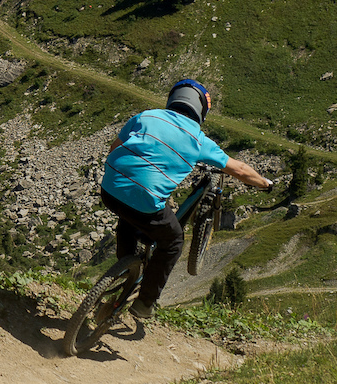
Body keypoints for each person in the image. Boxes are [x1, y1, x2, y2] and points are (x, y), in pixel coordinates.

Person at [99, 79, 273, 319]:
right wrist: (265, 183)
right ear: (201, 110)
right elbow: (240, 169)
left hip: (109, 190)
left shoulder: (147, 116)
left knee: (130, 208)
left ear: (173, 99)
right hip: (145, 200)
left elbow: (114, 148)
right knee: (173, 242)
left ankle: (125, 266)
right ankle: (144, 303)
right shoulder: (198, 140)